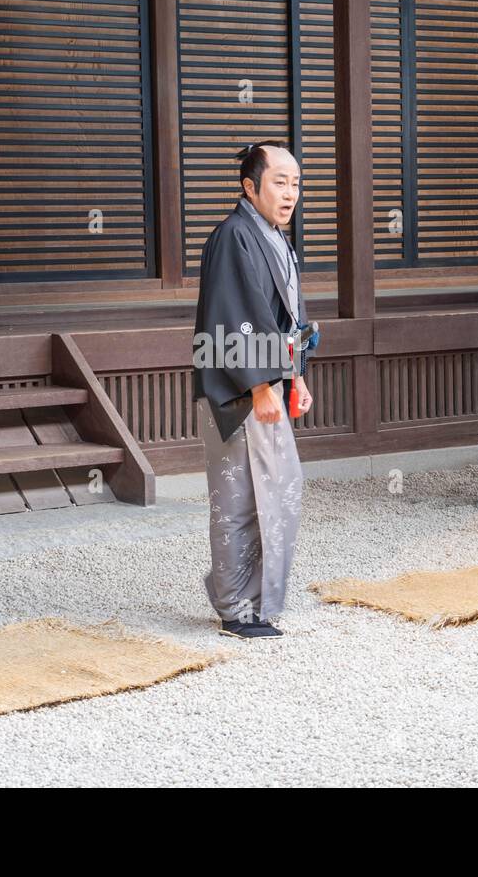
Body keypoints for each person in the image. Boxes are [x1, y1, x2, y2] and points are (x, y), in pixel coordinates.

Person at [192, 141, 317, 640]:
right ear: (250, 187)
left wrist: (297, 376)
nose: (290, 194)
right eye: (279, 182)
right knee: (240, 498)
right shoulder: (233, 236)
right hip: (237, 391)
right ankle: (235, 609)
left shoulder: (273, 237)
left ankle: (253, 601)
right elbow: (233, 315)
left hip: (262, 385)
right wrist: (261, 385)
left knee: (278, 491)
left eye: (296, 183)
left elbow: (286, 317)